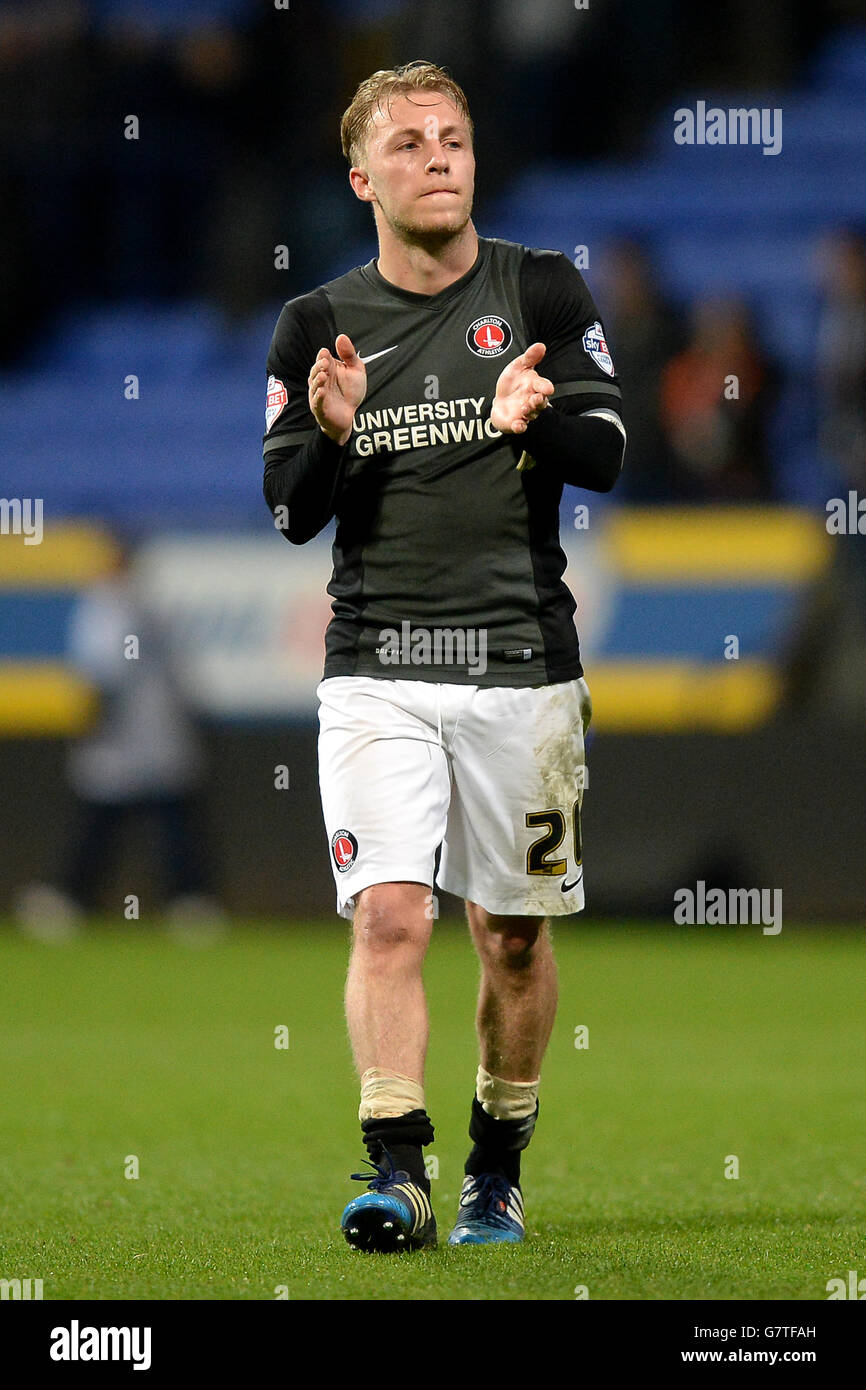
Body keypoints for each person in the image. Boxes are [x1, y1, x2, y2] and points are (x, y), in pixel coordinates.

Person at [261, 61, 625, 1253]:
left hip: (521, 665)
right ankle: (396, 1173)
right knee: (391, 917)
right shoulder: (315, 324)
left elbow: (611, 452)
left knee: (510, 936)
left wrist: (541, 422)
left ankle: (494, 1168)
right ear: (362, 176)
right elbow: (287, 511)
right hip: (375, 665)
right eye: (409, 142)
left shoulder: (543, 289)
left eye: (454, 138)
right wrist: (329, 434)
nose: (438, 157)